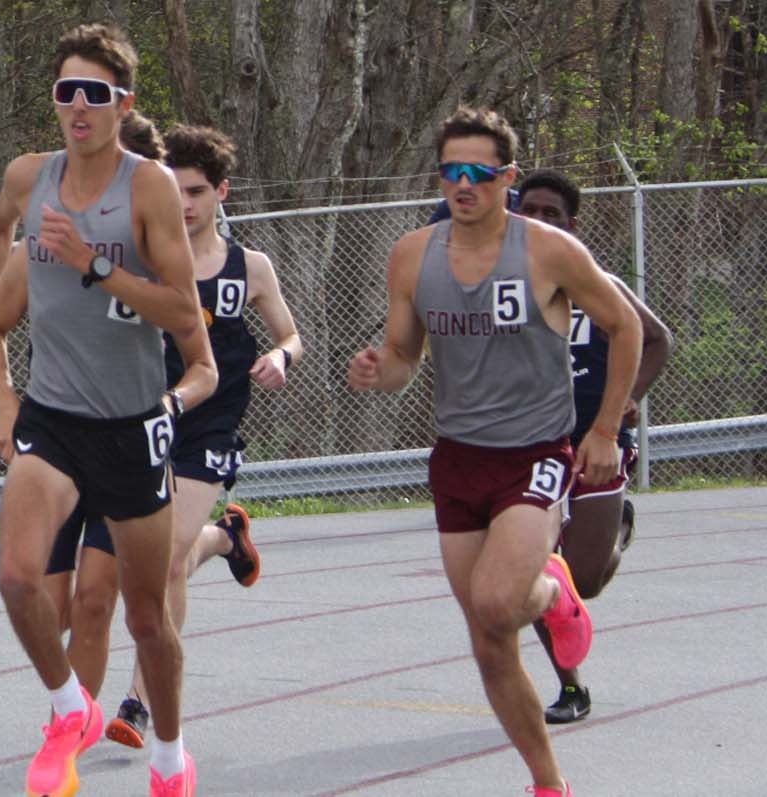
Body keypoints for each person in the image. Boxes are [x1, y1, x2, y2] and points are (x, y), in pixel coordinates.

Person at [346, 106, 642, 797]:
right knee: (488, 637)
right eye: (453, 171)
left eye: (480, 172)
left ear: (507, 177)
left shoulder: (547, 250)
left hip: (534, 451)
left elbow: (625, 326)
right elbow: (403, 357)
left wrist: (601, 430)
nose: (465, 184)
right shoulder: (414, 253)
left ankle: (551, 591)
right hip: (458, 457)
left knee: (499, 599)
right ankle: (549, 783)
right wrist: (375, 371)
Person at [0, 25, 215, 797]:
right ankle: (69, 706)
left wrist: (95, 265)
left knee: (146, 621)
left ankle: (170, 755)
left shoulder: (148, 188)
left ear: (121, 104)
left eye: (94, 94)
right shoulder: (28, 177)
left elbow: (182, 310)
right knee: (15, 578)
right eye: (65, 91)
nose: (77, 106)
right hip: (55, 418)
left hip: (132, 427)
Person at [102, 123, 303, 748]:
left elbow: (291, 335)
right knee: (173, 560)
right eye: (173, 190)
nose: (184, 204)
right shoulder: (146, 258)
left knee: (164, 562)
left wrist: (282, 358)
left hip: (210, 421)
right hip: (144, 412)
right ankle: (228, 537)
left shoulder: (251, 267)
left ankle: (138, 699)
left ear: (222, 192)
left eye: (195, 191)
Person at [0, 109, 166, 704]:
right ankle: (71, 711)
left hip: (126, 441)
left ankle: (72, 743)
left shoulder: (161, 258)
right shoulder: (42, 249)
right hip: (61, 440)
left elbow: (199, 342)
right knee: (50, 601)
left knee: (96, 601)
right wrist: (7, 404)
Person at [512, 169, 673, 724]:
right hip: (531, 444)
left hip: (596, 440)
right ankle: (571, 688)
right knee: (541, 573)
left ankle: (616, 529)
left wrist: (627, 401)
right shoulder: (499, 287)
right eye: (527, 209)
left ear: (571, 224)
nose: (536, 221)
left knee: (586, 581)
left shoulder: (594, 280)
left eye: (550, 213)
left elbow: (656, 339)